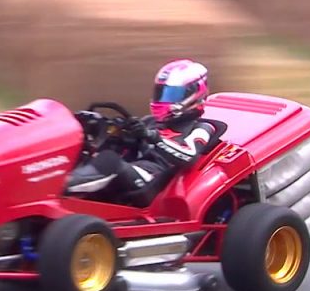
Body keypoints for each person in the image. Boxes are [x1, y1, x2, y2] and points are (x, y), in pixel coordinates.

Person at [66, 59, 222, 206]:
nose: (163, 99)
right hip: (133, 171)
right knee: (88, 150)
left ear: (194, 95)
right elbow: (129, 142)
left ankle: (64, 187)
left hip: (154, 182)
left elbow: (189, 157)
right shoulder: (151, 122)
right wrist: (113, 131)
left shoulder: (202, 128)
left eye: (171, 94)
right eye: (161, 93)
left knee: (110, 161)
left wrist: (151, 136)